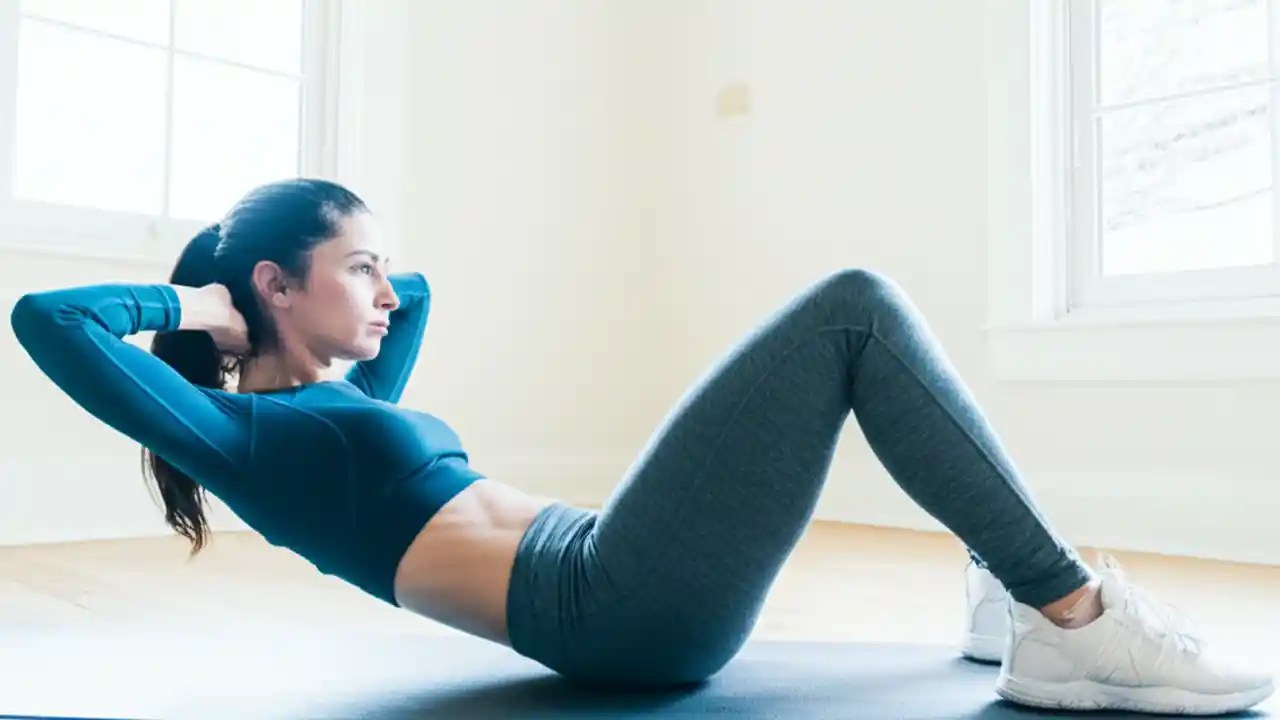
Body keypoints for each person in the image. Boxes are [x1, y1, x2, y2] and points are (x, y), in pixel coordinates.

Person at [11, 177, 1272, 715]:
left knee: (849, 318)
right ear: (277, 288)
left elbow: (425, 297)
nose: (390, 291)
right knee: (852, 310)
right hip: (612, 612)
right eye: (360, 267)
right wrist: (199, 305)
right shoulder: (242, 434)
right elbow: (48, 322)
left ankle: (1016, 603)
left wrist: (327, 281)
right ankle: (1071, 613)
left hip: (602, 569)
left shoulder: (333, 409)